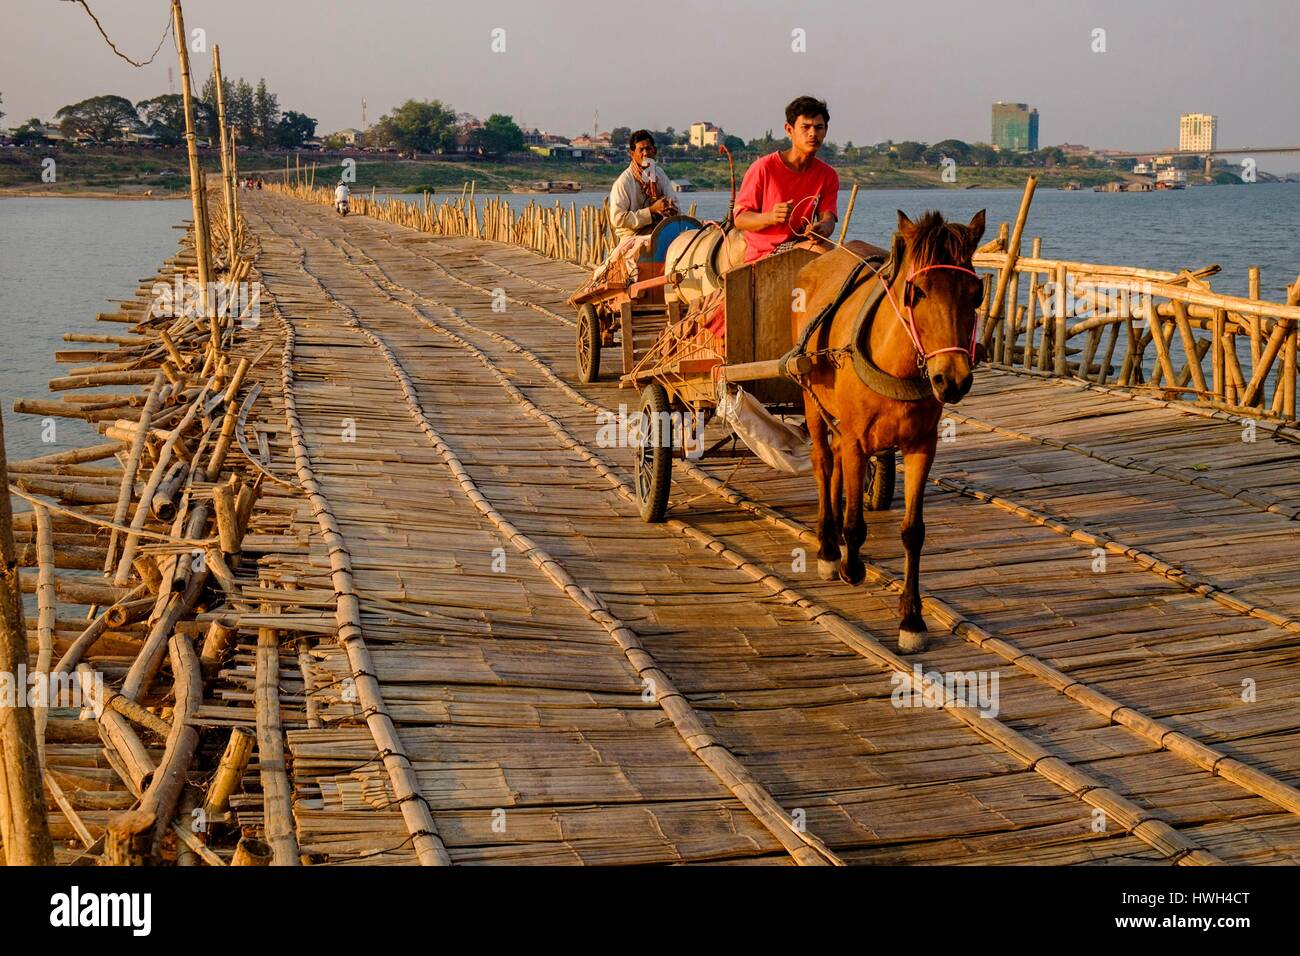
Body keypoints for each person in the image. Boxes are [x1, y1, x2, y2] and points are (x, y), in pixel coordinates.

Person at [732, 96, 844, 263]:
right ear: (789, 130)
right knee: (824, 251)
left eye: (819, 127)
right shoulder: (763, 168)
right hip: (765, 253)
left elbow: (828, 218)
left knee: (852, 252)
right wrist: (770, 217)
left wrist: (822, 229)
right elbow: (740, 219)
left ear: (825, 131)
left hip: (802, 245)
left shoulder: (828, 175)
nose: (813, 133)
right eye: (805, 127)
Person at [609, 130, 679, 242]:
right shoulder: (624, 182)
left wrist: (671, 210)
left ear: (654, 151)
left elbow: (675, 204)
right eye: (641, 150)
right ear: (632, 154)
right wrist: (651, 211)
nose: (645, 153)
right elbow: (617, 219)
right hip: (632, 238)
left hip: (660, 233)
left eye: (648, 149)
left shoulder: (659, 174)